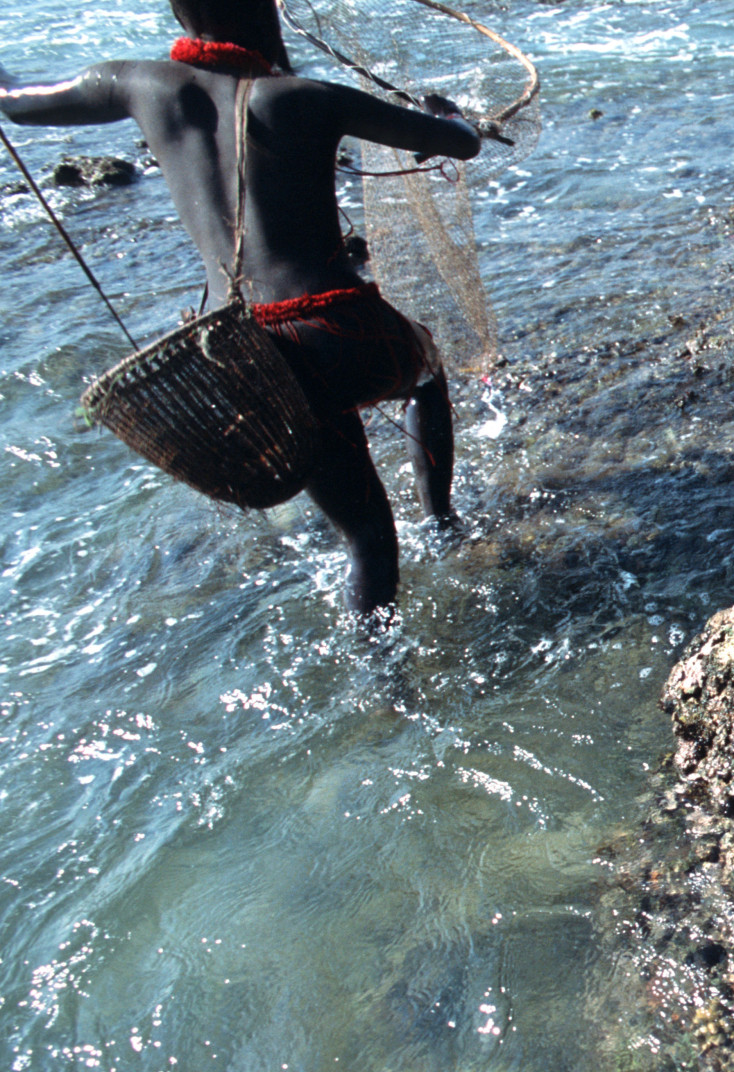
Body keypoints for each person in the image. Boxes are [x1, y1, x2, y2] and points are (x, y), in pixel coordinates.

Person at [0, 0, 482, 618]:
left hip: (247, 352)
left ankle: (388, 690)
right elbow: (457, 143)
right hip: (337, 325)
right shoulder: (305, 96)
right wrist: (449, 116)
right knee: (426, 369)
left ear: (181, 14)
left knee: (364, 537)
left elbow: (14, 99)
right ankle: (442, 521)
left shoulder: (136, 84)